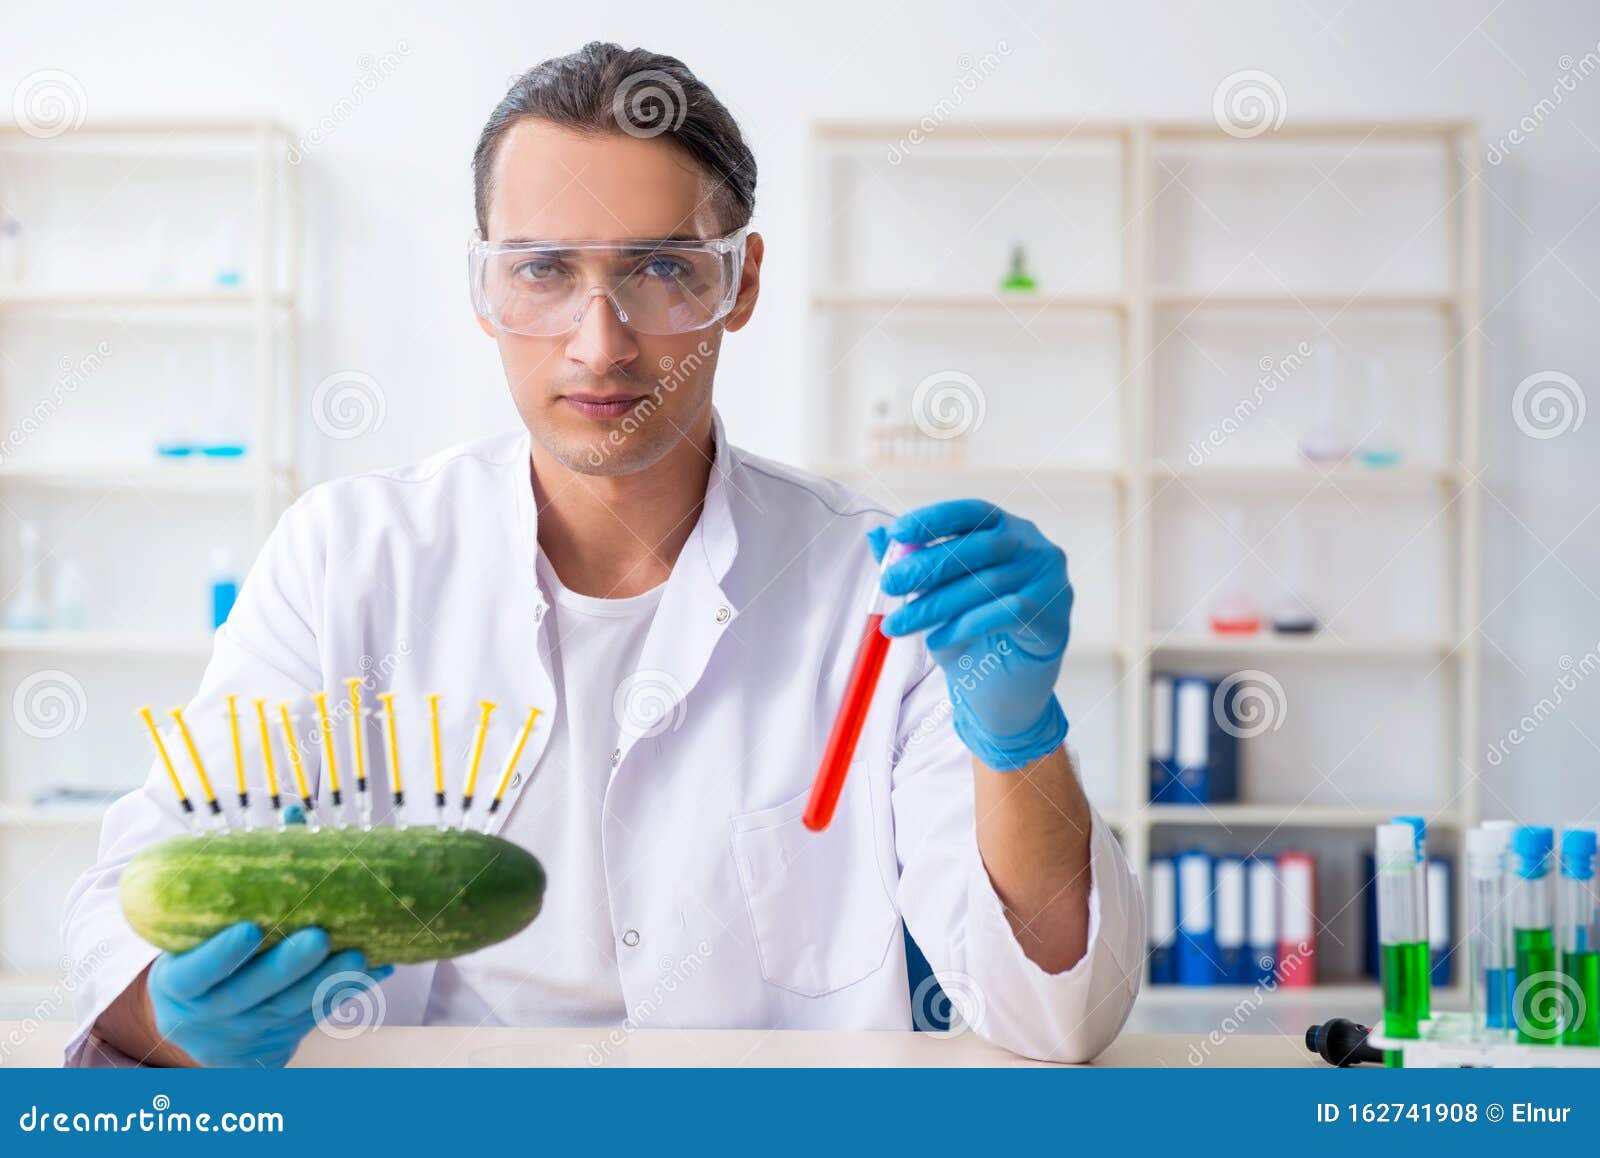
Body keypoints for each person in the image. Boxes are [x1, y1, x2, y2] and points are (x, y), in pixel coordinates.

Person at [61, 41, 1142, 1068]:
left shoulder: (876, 585)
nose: (599, 341)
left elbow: (1052, 1014)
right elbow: (135, 900)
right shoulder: (348, 555)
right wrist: (180, 1014)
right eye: (541, 270)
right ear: (483, 287)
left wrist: (1019, 744)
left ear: (741, 282)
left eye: (661, 268)